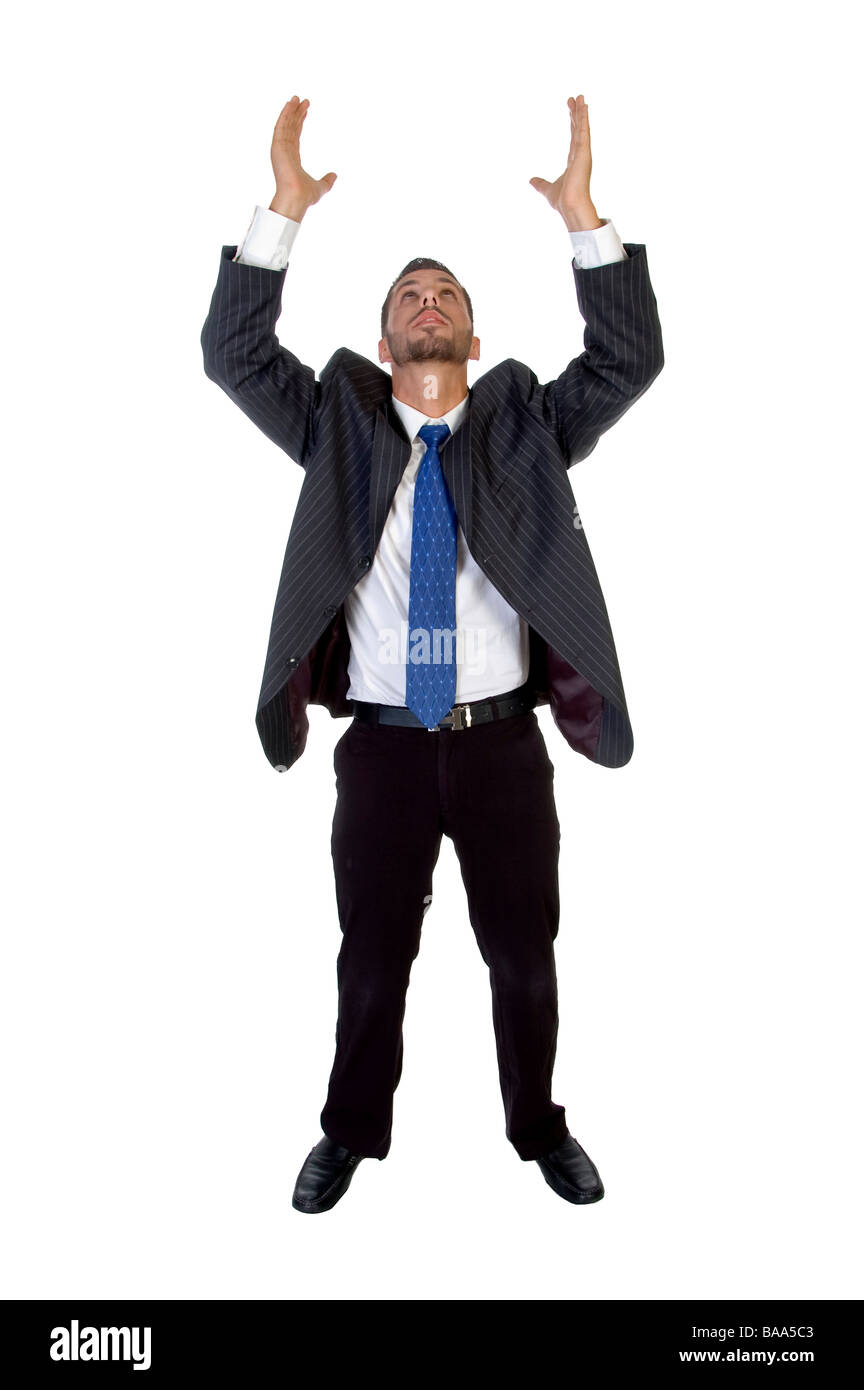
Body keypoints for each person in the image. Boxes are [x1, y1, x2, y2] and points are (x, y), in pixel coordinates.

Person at [201, 94, 664, 1213]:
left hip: (503, 748)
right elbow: (231, 351)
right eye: (408, 296)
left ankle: (538, 1126)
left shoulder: (527, 423)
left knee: (524, 957)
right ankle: (350, 1132)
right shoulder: (336, 423)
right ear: (381, 341)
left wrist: (584, 220)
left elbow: (629, 356)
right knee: (372, 960)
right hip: (385, 751)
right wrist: (283, 212)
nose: (427, 301)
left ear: (472, 335)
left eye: (445, 293)